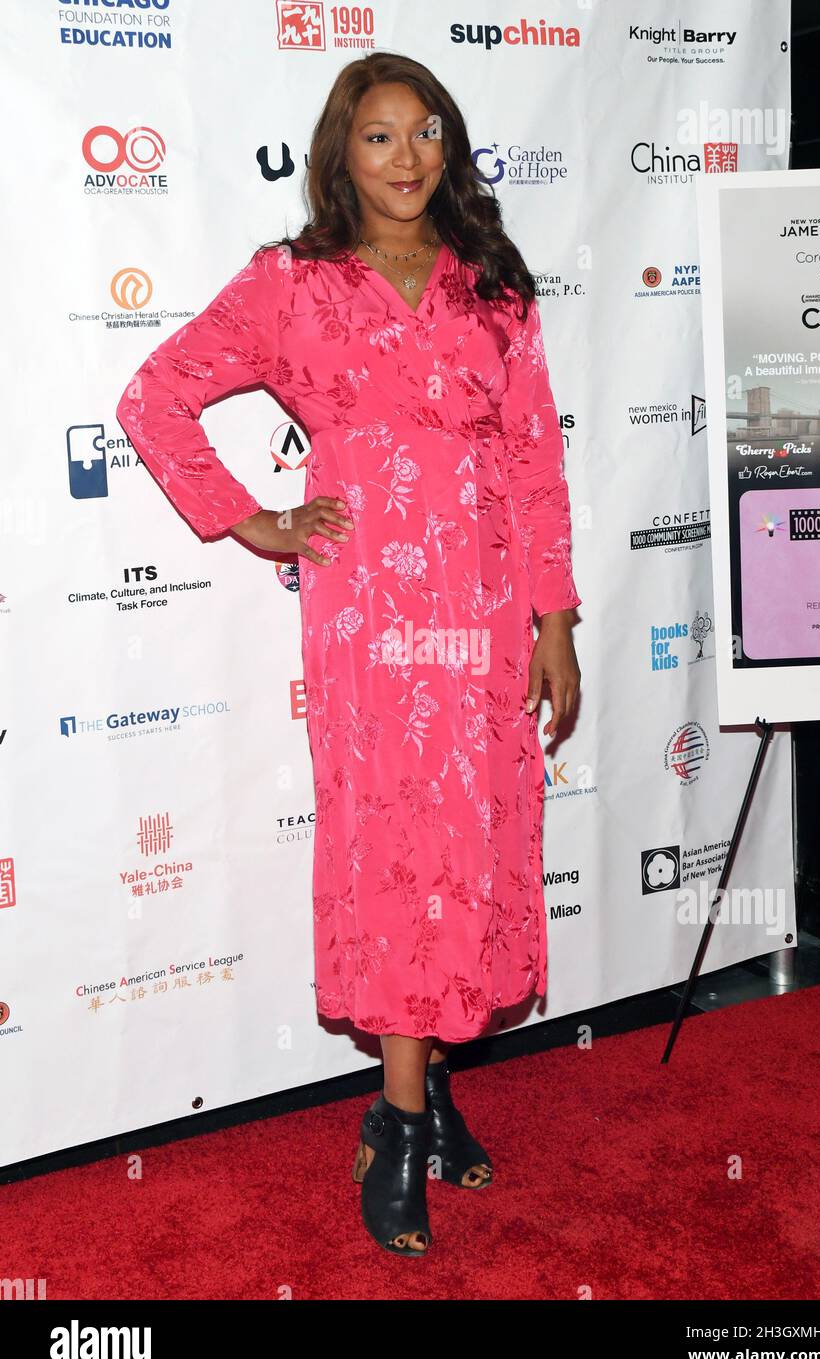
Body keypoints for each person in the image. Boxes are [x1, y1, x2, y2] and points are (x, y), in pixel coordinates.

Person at [116, 51, 581, 1258]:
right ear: (342, 154)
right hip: (371, 619)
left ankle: (422, 1091)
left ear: (450, 141)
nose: (407, 156)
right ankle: (398, 1117)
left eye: (425, 131)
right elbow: (156, 397)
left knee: (471, 834)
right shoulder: (293, 284)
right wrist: (252, 518)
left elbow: (535, 459)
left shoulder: (493, 284)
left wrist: (555, 620)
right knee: (393, 842)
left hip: (481, 616)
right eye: (378, 137)